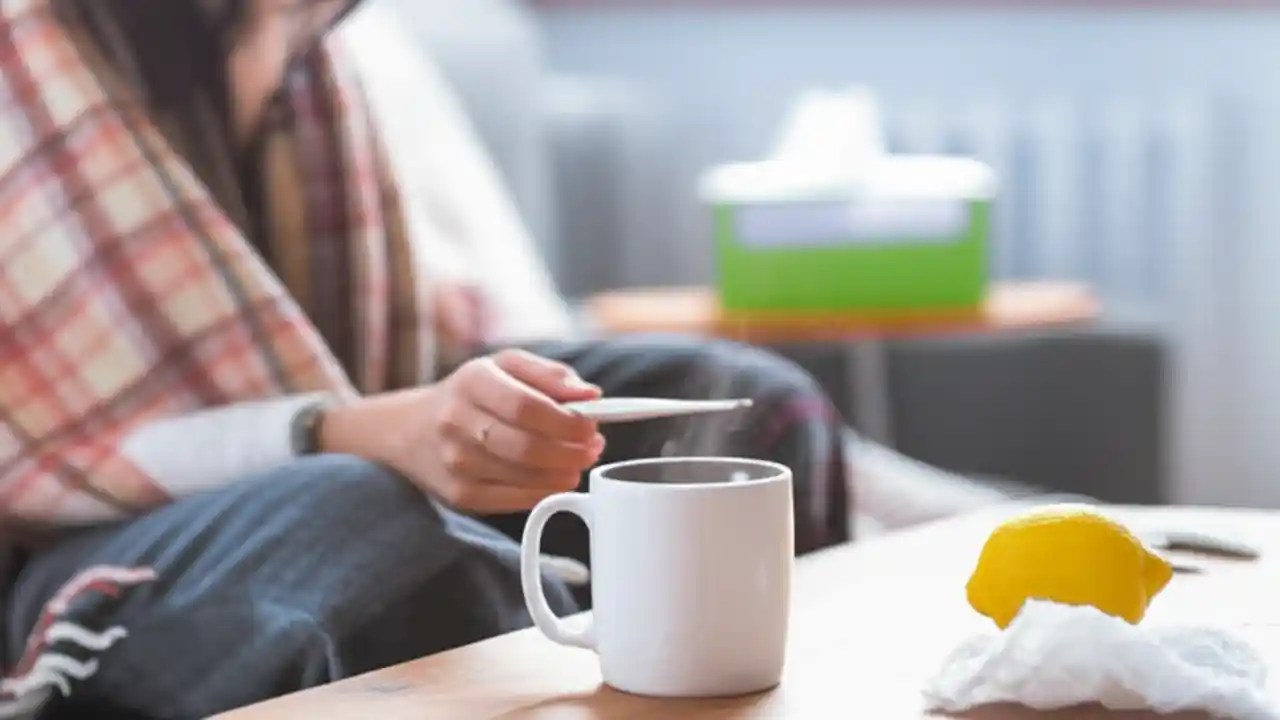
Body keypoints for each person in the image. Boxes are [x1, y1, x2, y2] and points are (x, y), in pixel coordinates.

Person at [0, 1, 849, 717]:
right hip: (69, 546)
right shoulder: (27, 52)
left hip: (339, 431)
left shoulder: (308, 43)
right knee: (367, 530)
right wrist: (358, 429)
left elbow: (356, 343)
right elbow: (52, 447)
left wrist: (464, 401)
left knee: (753, 404)